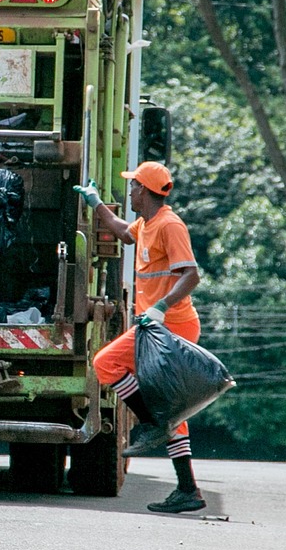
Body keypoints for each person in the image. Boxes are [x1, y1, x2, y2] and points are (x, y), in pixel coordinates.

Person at [74, 161, 205, 514]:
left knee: (105, 362)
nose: (129, 191)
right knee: (173, 411)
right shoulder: (147, 223)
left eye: (133, 187)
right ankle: (187, 488)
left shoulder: (170, 225)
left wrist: (160, 306)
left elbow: (191, 275)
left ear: (145, 191)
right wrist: (95, 202)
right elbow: (122, 232)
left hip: (170, 326)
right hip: (156, 326)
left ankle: (150, 425)